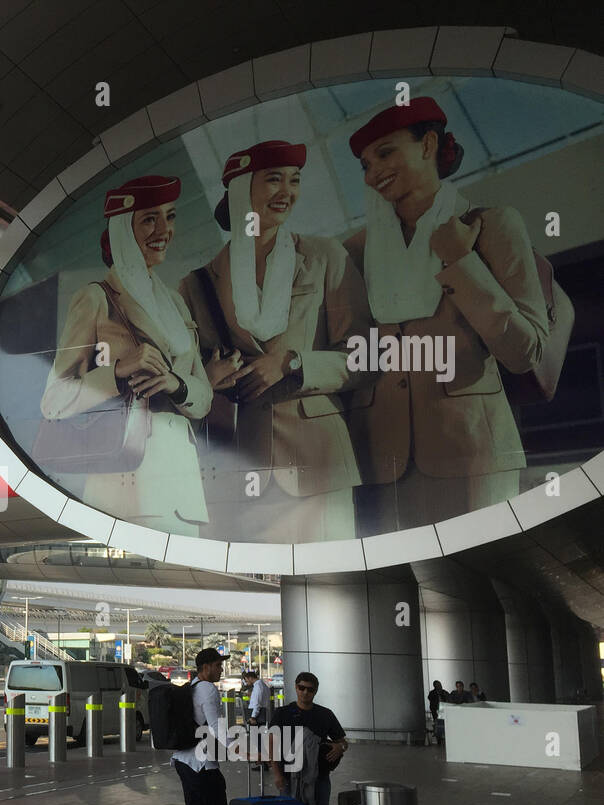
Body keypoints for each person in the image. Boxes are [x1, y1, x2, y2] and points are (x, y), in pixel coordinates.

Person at [344, 98, 549, 534]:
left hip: (472, 454)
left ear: (428, 145)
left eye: (385, 153)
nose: (373, 172)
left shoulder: (492, 225)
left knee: (481, 571)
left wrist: (461, 261)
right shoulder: (357, 251)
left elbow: (525, 352)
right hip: (380, 461)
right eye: (365, 164)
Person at [180, 140, 375, 543]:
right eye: (273, 179)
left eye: (295, 180)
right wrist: (211, 378)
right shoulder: (198, 284)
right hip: (241, 461)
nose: (287, 192)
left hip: (320, 460)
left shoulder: (325, 257)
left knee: (330, 572)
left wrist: (292, 362)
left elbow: (365, 357)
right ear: (241, 190)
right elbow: (187, 379)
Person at [40, 174, 244, 535]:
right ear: (123, 231)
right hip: (126, 484)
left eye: (170, 216)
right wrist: (117, 371)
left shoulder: (175, 304)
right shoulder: (96, 297)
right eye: (150, 219)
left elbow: (203, 399)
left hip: (183, 488)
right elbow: (53, 400)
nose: (164, 230)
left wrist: (176, 384)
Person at [166, 648, 232, 805]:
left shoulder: (192, 687)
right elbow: (216, 727)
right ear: (205, 667)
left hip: (184, 760)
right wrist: (241, 749)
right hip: (201, 764)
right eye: (217, 665)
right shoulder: (207, 689)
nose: (221, 669)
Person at [267, 671, 348, 805]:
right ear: (295, 687)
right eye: (301, 688)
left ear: (315, 691)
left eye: (310, 689)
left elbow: (343, 742)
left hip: (319, 778)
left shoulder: (325, 714)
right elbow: (271, 743)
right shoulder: (282, 713)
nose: (305, 692)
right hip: (288, 778)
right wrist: (277, 774)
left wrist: (340, 747)